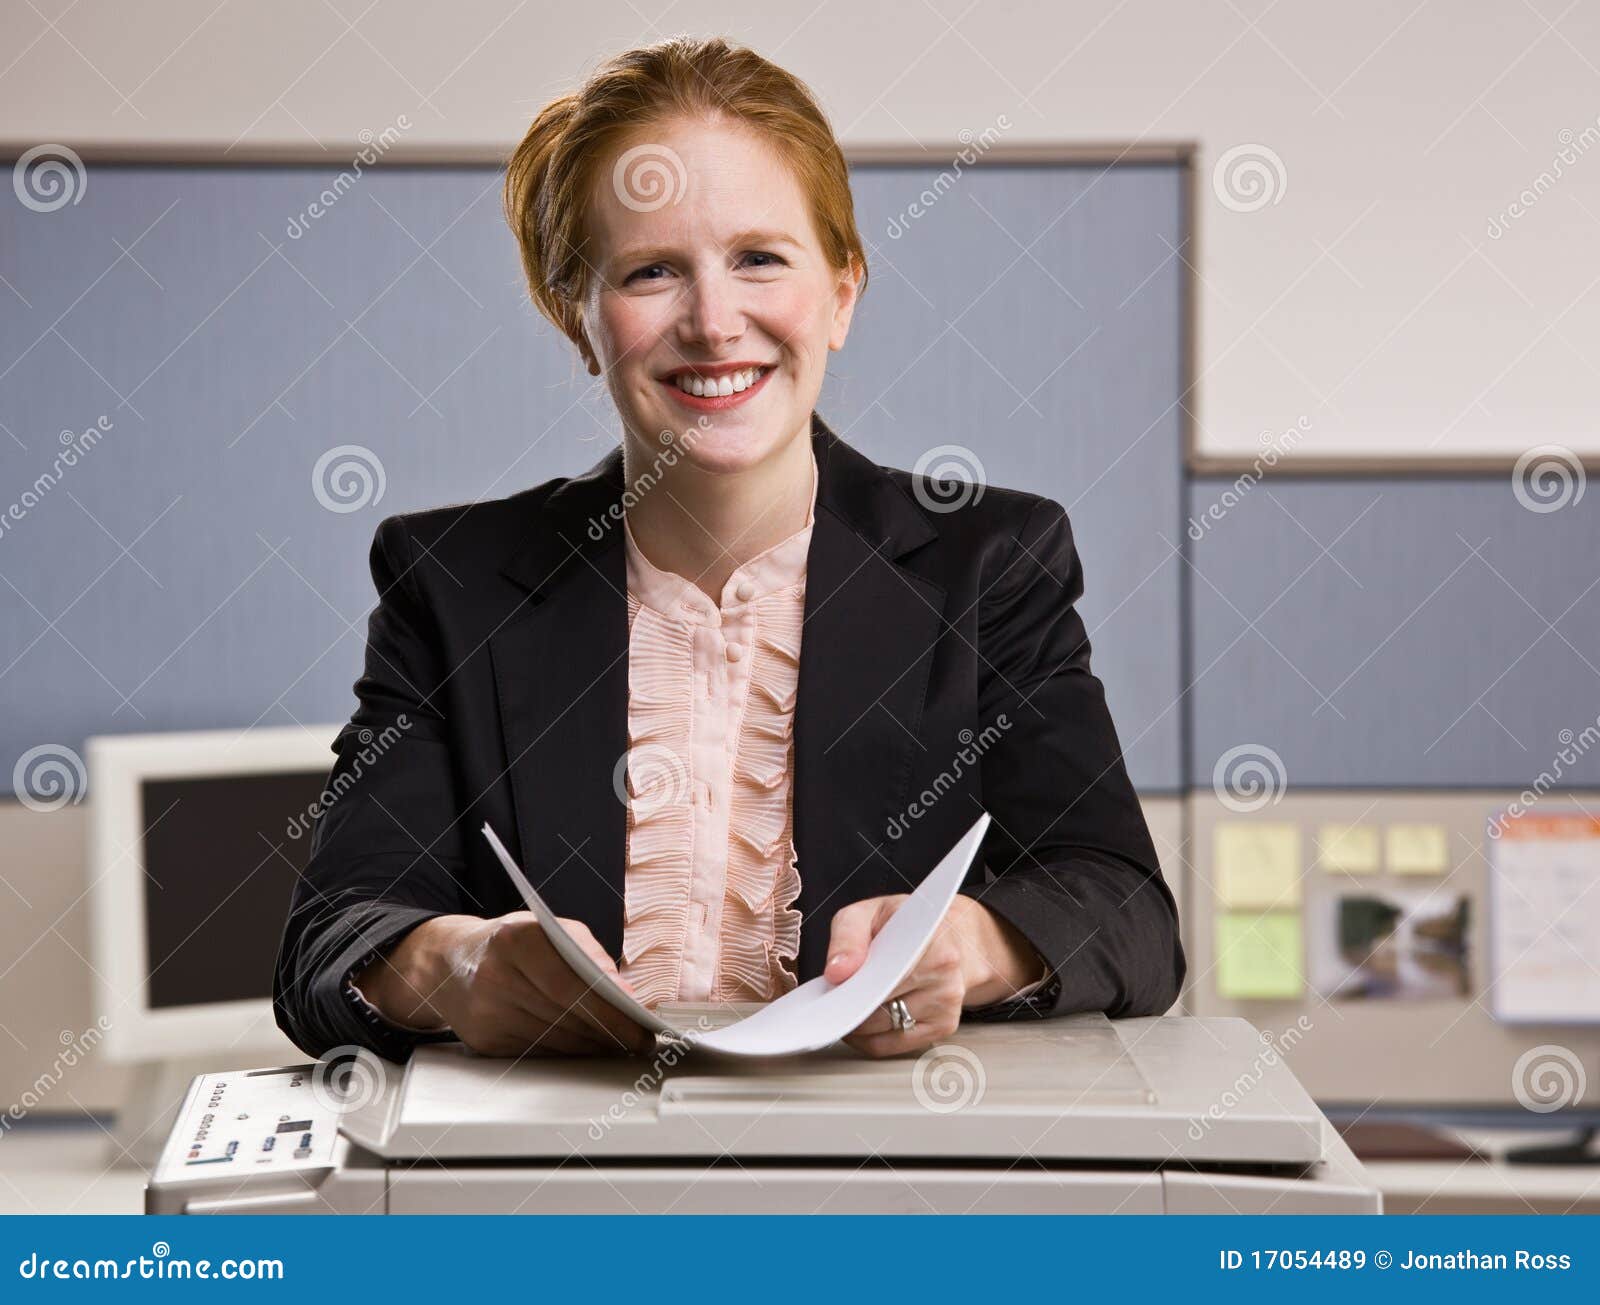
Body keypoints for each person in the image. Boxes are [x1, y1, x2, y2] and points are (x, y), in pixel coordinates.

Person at [272, 35, 1184, 1063]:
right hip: (555, 1152)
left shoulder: (992, 565)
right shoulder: (451, 584)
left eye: (759, 258)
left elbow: (1127, 911)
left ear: (841, 293)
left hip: (884, 1149)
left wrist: (969, 947)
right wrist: (454, 965)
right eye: (651, 271)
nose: (712, 322)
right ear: (576, 319)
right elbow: (328, 939)